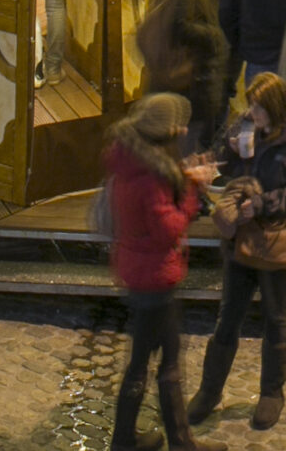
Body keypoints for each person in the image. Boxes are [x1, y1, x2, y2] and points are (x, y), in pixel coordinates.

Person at [188, 73, 286, 435]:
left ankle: (271, 392)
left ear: (276, 108)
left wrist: (263, 204)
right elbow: (226, 166)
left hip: (280, 240)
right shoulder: (247, 127)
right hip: (241, 240)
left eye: (259, 107)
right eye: (251, 106)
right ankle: (209, 391)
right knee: (228, 315)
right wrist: (227, 154)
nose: (251, 112)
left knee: (275, 316)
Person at [104, 89, 209, 451]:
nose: (183, 132)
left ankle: (141, 440)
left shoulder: (130, 161)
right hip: (155, 278)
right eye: (178, 127)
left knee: (153, 358)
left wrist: (181, 177)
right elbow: (170, 228)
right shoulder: (151, 178)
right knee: (158, 363)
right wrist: (193, 190)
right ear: (163, 133)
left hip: (137, 271)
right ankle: (166, 443)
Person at [136, 0, 228, 147]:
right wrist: (214, 36)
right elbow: (179, 26)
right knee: (179, 150)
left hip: (192, 86)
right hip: (186, 85)